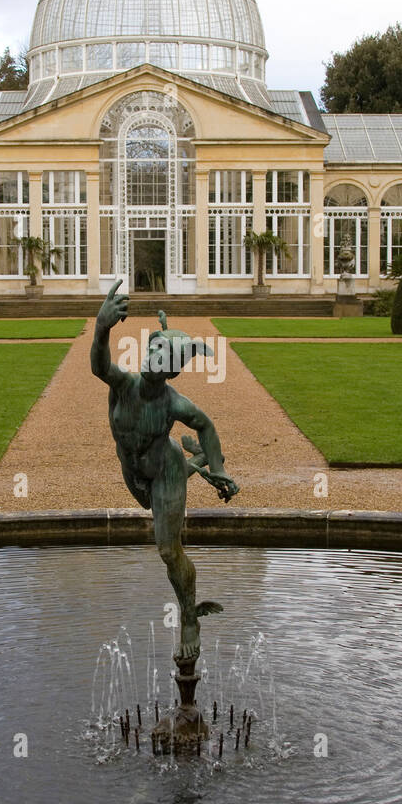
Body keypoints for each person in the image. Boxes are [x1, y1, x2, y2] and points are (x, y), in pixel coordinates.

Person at [91, 279, 239, 662]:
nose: (153, 355)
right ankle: (197, 463)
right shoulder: (124, 385)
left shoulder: (174, 403)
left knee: (168, 550)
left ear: (171, 370)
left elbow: (205, 424)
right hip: (133, 474)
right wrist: (102, 326)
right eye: (153, 346)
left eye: (163, 354)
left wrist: (220, 467)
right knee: (160, 523)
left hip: (164, 471)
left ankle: (189, 616)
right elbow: (99, 365)